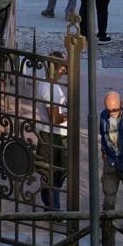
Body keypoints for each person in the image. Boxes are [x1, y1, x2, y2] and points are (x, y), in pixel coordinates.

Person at [36, 52, 69, 208]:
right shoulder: (52, 89)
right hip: (54, 136)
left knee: (51, 175)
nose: (64, 72)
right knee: (54, 176)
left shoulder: (44, 84)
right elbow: (55, 118)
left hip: (49, 134)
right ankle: (53, 209)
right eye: (62, 68)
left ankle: (51, 206)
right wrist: (69, 115)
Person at [100, 91, 123, 216]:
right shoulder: (104, 116)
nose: (112, 113)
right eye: (109, 110)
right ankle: (107, 231)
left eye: (114, 109)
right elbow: (103, 135)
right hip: (111, 163)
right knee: (108, 201)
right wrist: (104, 151)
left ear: (121, 104)